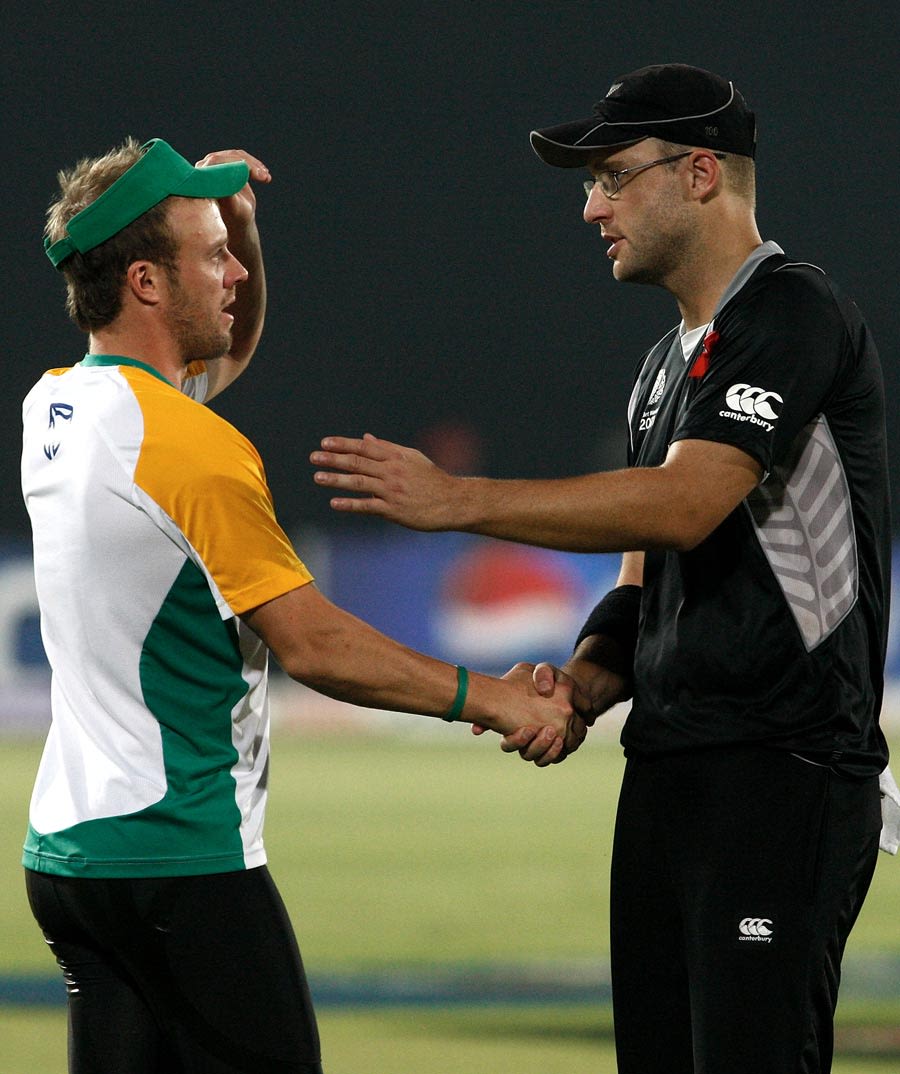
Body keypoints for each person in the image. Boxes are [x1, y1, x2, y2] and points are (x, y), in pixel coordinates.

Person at [310, 64, 893, 1073]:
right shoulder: (665, 366)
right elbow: (644, 571)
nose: (591, 207)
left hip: (782, 773)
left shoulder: (791, 314)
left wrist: (460, 501)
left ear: (702, 173)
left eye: (616, 176)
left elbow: (685, 501)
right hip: (670, 773)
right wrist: (582, 683)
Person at [22, 136, 578, 1074]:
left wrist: (235, 219)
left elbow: (219, 350)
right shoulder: (191, 450)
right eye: (213, 255)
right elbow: (315, 646)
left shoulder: (58, 406)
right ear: (148, 281)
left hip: (72, 863)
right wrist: (498, 700)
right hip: (179, 858)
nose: (236, 271)